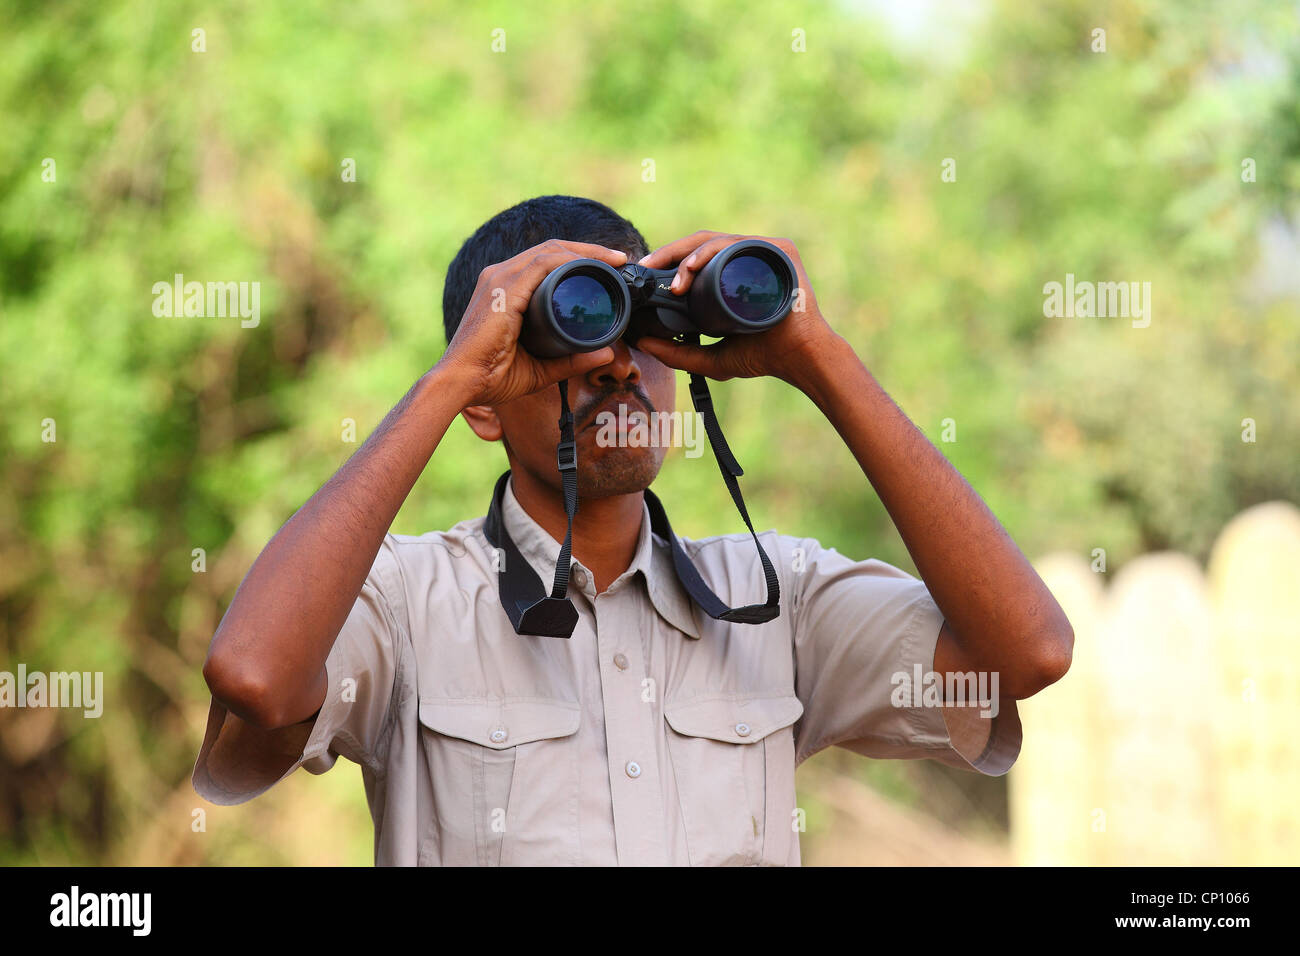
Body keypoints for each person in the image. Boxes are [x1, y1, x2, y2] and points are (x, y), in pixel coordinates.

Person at [192, 194, 1073, 866]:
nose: (617, 367)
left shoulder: (776, 599)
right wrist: (451, 379)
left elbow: (1026, 654)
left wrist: (819, 357)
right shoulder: (408, 602)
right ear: (487, 405)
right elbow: (256, 679)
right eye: (574, 326)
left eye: (639, 327)